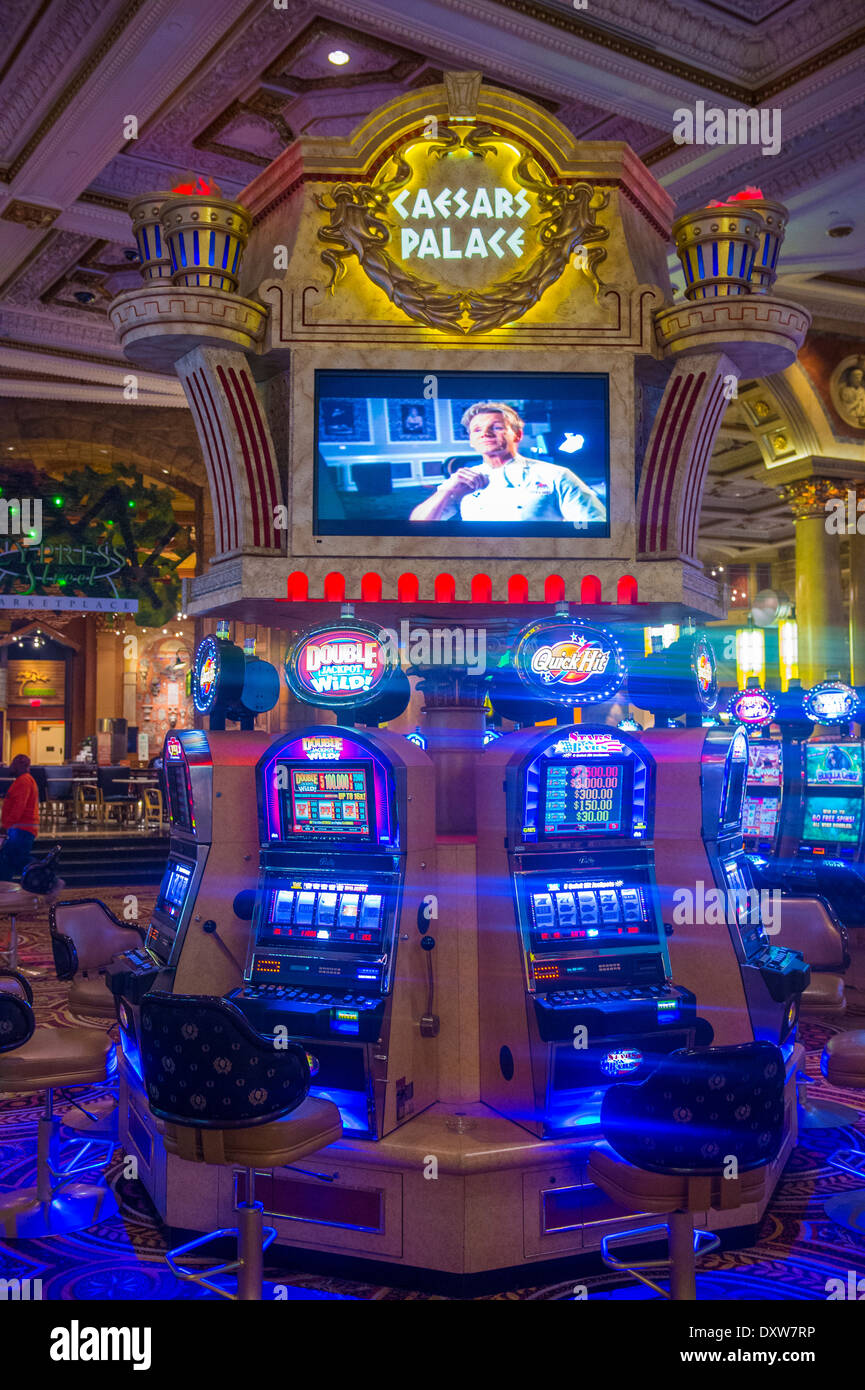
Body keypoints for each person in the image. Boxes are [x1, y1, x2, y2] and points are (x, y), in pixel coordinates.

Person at [409, 401, 606, 526]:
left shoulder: (556, 475)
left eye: (496, 427)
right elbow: (419, 526)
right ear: (471, 440)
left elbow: (594, 526)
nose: (485, 433)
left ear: (518, 434)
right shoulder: (462, 481)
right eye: (476, 430)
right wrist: (445, 492)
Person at [0, 754, 39, 882]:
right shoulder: (24, 780)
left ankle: (48, 876)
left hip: (21, 829)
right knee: (9, 860)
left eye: (13, 764)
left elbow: (18, 807)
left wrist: (6, 827)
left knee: (17, 859)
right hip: (21, 828)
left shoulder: (23, 781)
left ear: (20, 765)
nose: (10, 767)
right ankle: (4, 888)